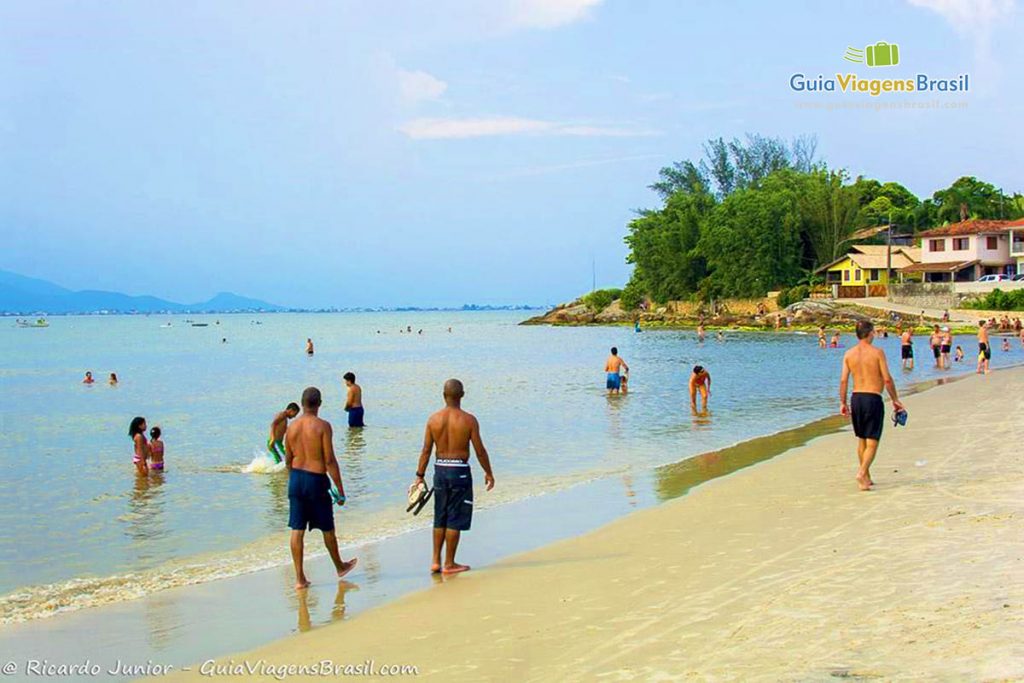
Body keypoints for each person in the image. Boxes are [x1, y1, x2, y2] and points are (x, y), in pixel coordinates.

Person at [412, 379, 495, 575]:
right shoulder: (469, 420)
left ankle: (435, 561)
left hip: (440, 469)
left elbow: (426, 451)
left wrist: (419, 476)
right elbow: (480, 451)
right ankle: (449, 563)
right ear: (462, 395)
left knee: (440, 516)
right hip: (460, 471)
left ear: (443, 395)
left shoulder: (433, 420)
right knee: (455, 517)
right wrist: (488, 472)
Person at [285, 387, 357, 589]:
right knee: (327, 527)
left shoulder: (292, 427)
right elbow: (329, 460)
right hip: (316, 479)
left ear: (301, 404)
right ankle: (339, 566)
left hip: (296, 479)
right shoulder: (323, 426)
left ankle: (299, 578)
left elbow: (288, 459)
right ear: (320, 403)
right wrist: (340, 490)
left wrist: (294, 479)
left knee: (297, 529)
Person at [839, 321, 905, 491]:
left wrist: (843, 402)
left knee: (861, 438)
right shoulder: (877, 353)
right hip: (872, 398)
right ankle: (862, 473)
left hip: (856, 398)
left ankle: (866, 477)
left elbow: (844, 380)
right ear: (870, 333)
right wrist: (895, 399)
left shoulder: (848, 354)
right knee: (872, 440)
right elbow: (887, 379)